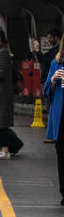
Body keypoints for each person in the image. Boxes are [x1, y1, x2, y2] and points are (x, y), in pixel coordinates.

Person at [0, 29, 24, 160]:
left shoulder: (3, 53)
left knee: (1, 123)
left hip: (3, 93)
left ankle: (4, 149)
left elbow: (2, 73)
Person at [43, 34, 64, 205]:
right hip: (60, 115)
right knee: (61, 155)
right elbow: (46, 90)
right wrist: (53, 80)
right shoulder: (56, 62)